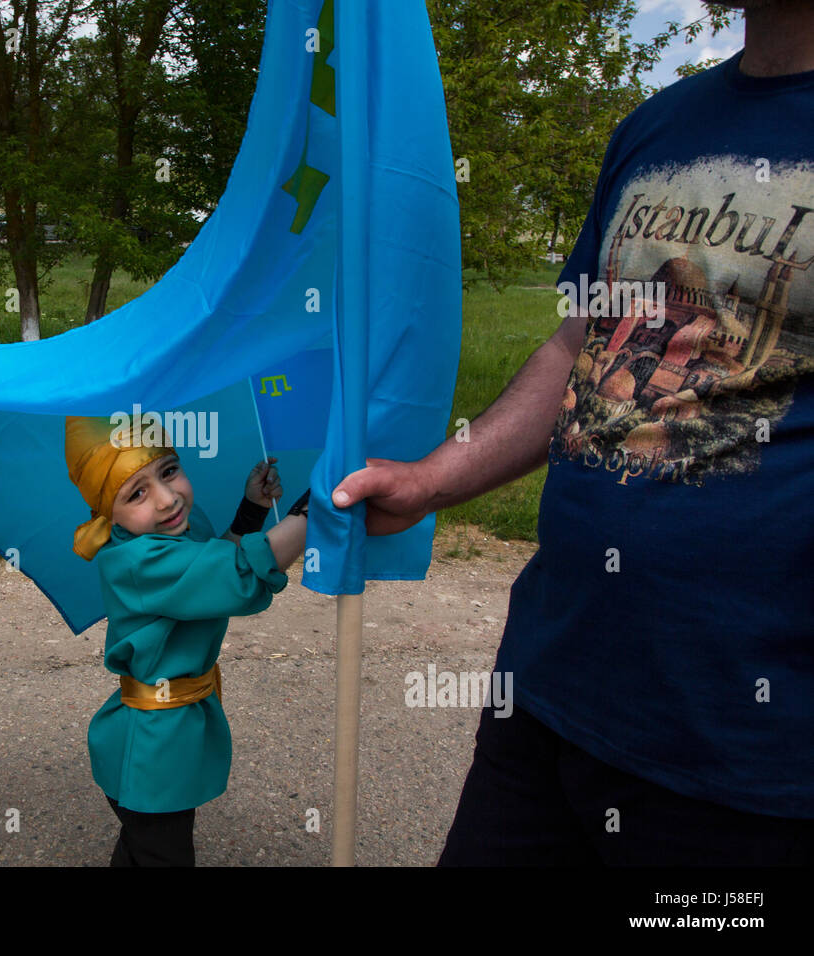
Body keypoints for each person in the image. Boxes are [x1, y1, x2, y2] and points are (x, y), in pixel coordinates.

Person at [332, 0, 814, 865]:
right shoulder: (661, 126)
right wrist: (430, 481)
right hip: (552, 687)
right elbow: (577, 340)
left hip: (752, 759)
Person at [64, 416, 309, 865]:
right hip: (153, 749)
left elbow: (213, 562)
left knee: (145, 849)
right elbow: (236, 576)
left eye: (169, 470)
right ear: (107, 513)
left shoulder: (169, 527)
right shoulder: (138, 559)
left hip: (165, 735)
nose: (166, 498)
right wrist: (314, 514)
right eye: (136, 493)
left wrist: (252, 509)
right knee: (163, 854)